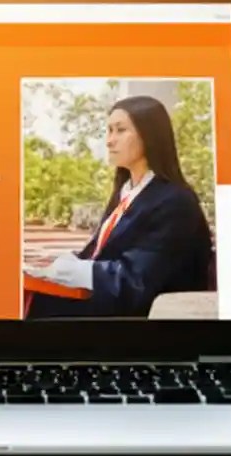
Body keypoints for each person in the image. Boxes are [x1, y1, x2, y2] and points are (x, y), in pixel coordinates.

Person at [24, 94, 213, 318]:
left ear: (149, 135)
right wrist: (57, 265)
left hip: (135, 319)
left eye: (120, 130)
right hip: (103, 303)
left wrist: (70, 270)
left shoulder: (175, 202)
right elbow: (96, 256)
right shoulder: (126, 193)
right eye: (109, 130)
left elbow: (137, 280)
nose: (109, 140)